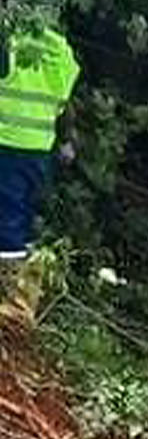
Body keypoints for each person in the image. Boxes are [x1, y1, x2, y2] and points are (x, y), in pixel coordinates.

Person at [0, 23, 80, 287]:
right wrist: (66, 140)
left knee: (8, 223)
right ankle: (24, 287)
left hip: (7, 142)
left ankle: (10, 295)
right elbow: (64, 99)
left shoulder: (10, 39)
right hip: (39, 150)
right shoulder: (59, 48)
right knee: (22, 219)